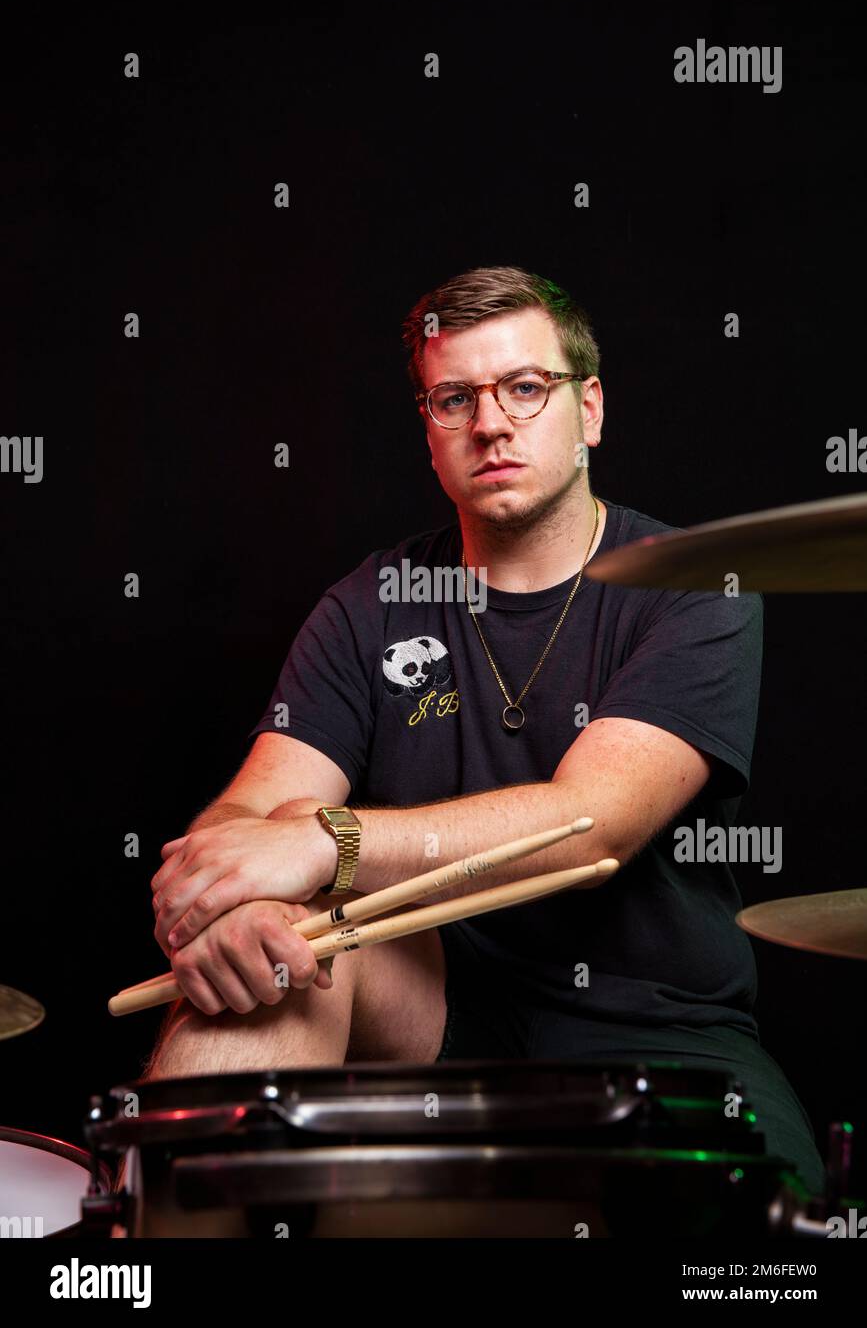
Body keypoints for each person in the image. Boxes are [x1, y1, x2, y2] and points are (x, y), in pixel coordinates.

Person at [144, 264, 825, 1198]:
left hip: (658, 1026)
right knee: (276, 950)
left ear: (588, 409)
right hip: (436, 1008)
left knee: (769, 1242)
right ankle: (152, 1255)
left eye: (523, 388)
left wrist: (320, 843)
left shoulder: (690, 588)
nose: (490, 422)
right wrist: (241, 903)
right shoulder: (369, 605)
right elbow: (247, 819)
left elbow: (590, 824)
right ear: (427, 430)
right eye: (453, 397)